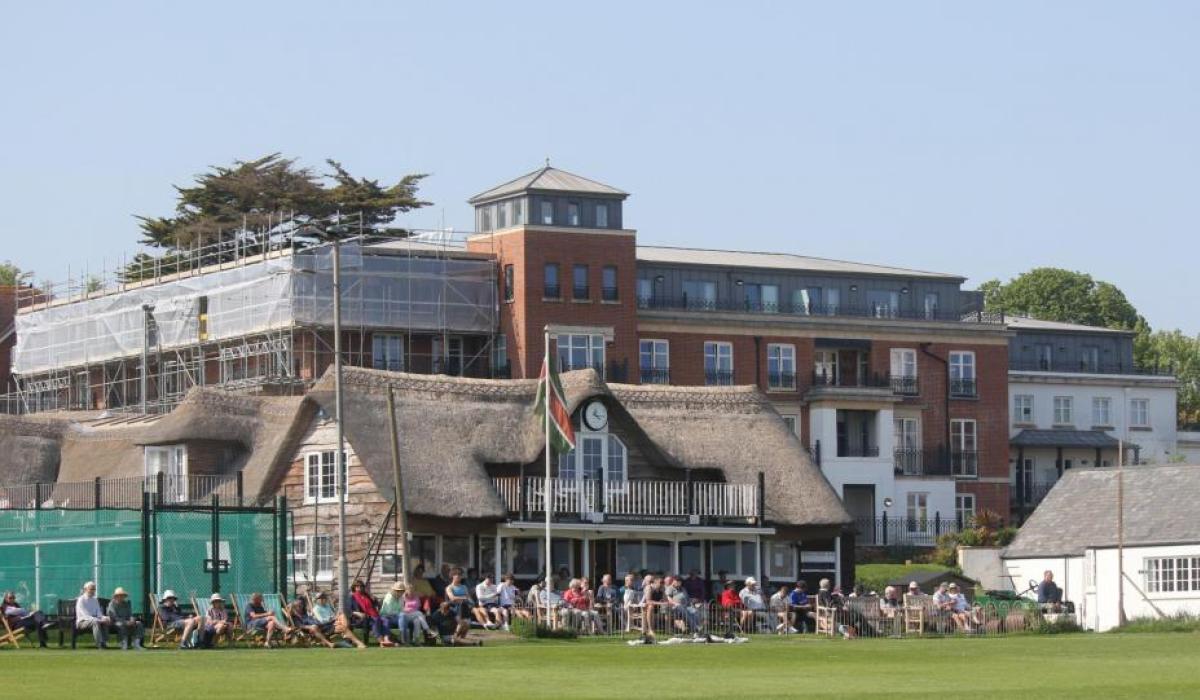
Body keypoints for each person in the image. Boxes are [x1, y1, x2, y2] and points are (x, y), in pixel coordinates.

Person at [349, 579, 391, 647]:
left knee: (385, 620)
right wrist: (358, 613)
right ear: (354, 587)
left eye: (361, 586)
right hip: (362, 618)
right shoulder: (352, 597)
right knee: (375, 620)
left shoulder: (367, 595)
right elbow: (349, 610)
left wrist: (373, 598)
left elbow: (376, 604)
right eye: (357, 586)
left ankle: (387, 640)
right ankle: (381, 641)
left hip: (374, 615)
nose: (359, 588)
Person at [75, 581, 111, 649]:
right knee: (96, 622)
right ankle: (99, 644)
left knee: (105, 621)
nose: (93, 591)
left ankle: (104, 642)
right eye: (91, 589)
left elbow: (99, 614)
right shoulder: (81, 600)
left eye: (94, 589)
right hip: (82, 622)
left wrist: (105, 618)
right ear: (85, 589)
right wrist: (98, 620)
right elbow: (85, 615)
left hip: (93, 620)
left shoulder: (95, 600)